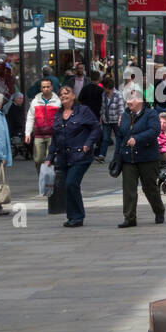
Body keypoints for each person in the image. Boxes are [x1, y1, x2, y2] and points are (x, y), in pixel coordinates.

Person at [43, 85, 99, 228]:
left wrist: (88, 143)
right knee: (67, 186)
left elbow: (96, 127)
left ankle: (77, 216)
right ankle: (72, 216)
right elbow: (55, 137)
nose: (63, 96)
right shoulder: (57, 114)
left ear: (73, 96)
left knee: (71, 183)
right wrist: (49, 157)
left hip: (80, 155)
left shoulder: (83, 111)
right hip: (63, 156)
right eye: (61, 94)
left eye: (66, 93)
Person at [117, 85, 166, 227]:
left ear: (140, 100)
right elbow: (120, 135)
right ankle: (129, 218)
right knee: (129, 189)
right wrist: (117, 156)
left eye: (131, 99)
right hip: (128, 158)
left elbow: (154, 131)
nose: (128, 102)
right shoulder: (125, 115)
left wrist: (137, 138)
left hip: (147, 157)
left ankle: (159, 210)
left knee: (149, 188)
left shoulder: (151, 114)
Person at [24, 77, 61, 175]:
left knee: (51, 159)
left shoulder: (58, 101)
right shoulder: (35, 101)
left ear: (52, 87)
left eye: (48, 87)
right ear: (40, 88)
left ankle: (51, 179)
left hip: (52, 135)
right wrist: (27, 133)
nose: (46, 89)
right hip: (38, 135)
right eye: (44, 87)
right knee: (38, 159)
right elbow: (30, 117)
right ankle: (42, 176)